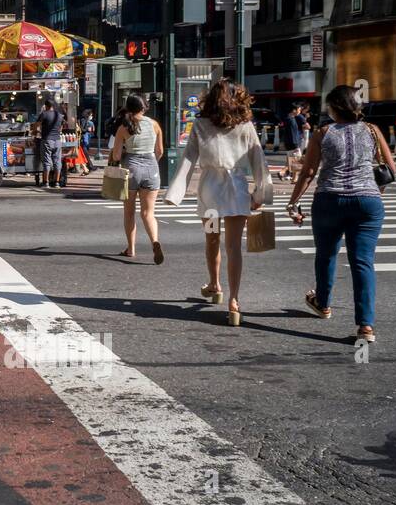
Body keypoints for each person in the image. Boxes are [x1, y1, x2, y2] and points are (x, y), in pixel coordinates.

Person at [285, 85, 395, 344]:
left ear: (334, 108)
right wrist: (376, 187)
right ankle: (365, 327)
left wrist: (293, 203)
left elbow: (309, 172)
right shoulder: (372, 130)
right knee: (363, 261)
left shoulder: (324, 133)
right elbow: (390, 168)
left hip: (329, 200)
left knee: (326, 254)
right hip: (368, 202)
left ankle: (323, 303)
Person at [164, 79, 274, 326]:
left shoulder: (201, 125)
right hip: (236, 191)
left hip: (210, 192)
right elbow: (259, 161)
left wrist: (175, 193)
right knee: (234, 246)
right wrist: (260, 194)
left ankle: (214, 285)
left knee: (212, 239)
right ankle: (234, 301)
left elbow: (188, 159)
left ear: (211, 99)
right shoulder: (245, 126)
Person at [108, 94, 164, 263]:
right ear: (144, 107)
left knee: (129, 212)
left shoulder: (123, 128)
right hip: (151, 168)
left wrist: (124, 152)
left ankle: (131, 248)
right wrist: (151, 163)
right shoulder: (154, 125)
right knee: (148, 213)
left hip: (131, 167)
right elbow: (160, 151)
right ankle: (155, 241)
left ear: (127, 108)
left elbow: (116, 156)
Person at [33, 98, 63, 188]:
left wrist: (36, 132)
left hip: (47, 140)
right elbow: (61, 128)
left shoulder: (44, 114)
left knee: (47, 161)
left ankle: (46, 183)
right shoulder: (59, 115)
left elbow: (36, 126)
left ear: (45, 106)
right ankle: (57, 182)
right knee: (57, 162)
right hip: (57, 140)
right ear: (53, 106)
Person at [278, 103, 302, 180]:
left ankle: (294, 179)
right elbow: (292, 133)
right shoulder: (291, 120)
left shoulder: (287, 118)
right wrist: (296, 145)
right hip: (293, 143)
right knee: (297, 161)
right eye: (299, 109)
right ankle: (283, 172)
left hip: (288, 143)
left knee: (293, 160)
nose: (300, 111)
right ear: (294, 110)